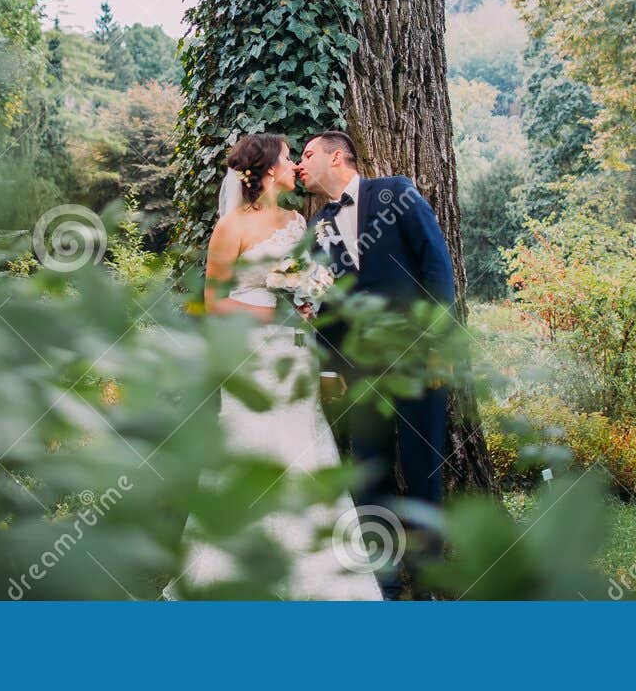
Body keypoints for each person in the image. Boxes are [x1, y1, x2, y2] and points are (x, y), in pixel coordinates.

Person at [163, 133, 382, 600]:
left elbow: (308, 283)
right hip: (251, 358)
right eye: (287, 157)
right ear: (266, 170)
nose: (294, 165)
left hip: (295, 354)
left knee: (306, 447)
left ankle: (319, 574)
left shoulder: (299, 221)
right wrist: (266, 306)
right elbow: (212, 302)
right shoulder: (232, 227)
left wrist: (305, 299)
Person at [296, 129, 454, 598]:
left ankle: (428, 583)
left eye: (307, 154)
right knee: (370, 473)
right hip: (359, 374)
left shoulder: (396, 192)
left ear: (337, 157)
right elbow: (324, 308)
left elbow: (437, 267)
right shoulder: (314, 229)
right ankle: (382, 581)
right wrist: (329, 367)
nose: (300, 164)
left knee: (424, 470)